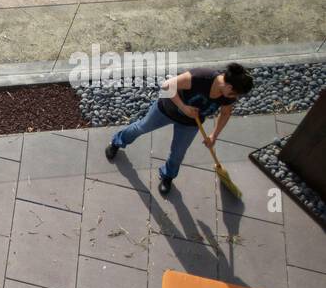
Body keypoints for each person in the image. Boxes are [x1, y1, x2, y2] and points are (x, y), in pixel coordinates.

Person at [105, 62, 254, 195]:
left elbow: (226, 113)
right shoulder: (200, 77)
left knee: (178, 153)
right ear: (228, 85)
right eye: (235, 93)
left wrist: (214, 135)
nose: (234, 98)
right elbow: (167, 85)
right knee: (141, 127)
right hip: (166, 110)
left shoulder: (229, 95)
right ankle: (117, 142)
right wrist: (183, 107)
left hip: (190, 124)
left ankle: (167, 176)